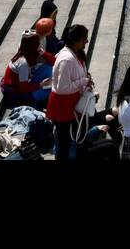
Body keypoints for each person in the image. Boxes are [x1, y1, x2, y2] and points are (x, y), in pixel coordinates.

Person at [47, 24, 94, 161]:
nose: (86, 41)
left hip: (71, 104)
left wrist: (85, 79)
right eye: (84, 38)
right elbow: (62, 88)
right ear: (75, 40)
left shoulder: (74, 54)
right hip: (63, 107)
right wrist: (83, 81)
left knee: (73, 139)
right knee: (64, 144)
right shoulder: (67, 59)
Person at [0, 31, 55, 108]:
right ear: (33, 46)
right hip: (16, 92)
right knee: (51, 90)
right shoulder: (23, 63)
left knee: (48, 67)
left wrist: (43, 53)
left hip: (22, 84)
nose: (40, 44)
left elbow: (53, 62)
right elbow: (23, 89)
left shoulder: (26, 52)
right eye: (38, 43)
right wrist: (41, 84)